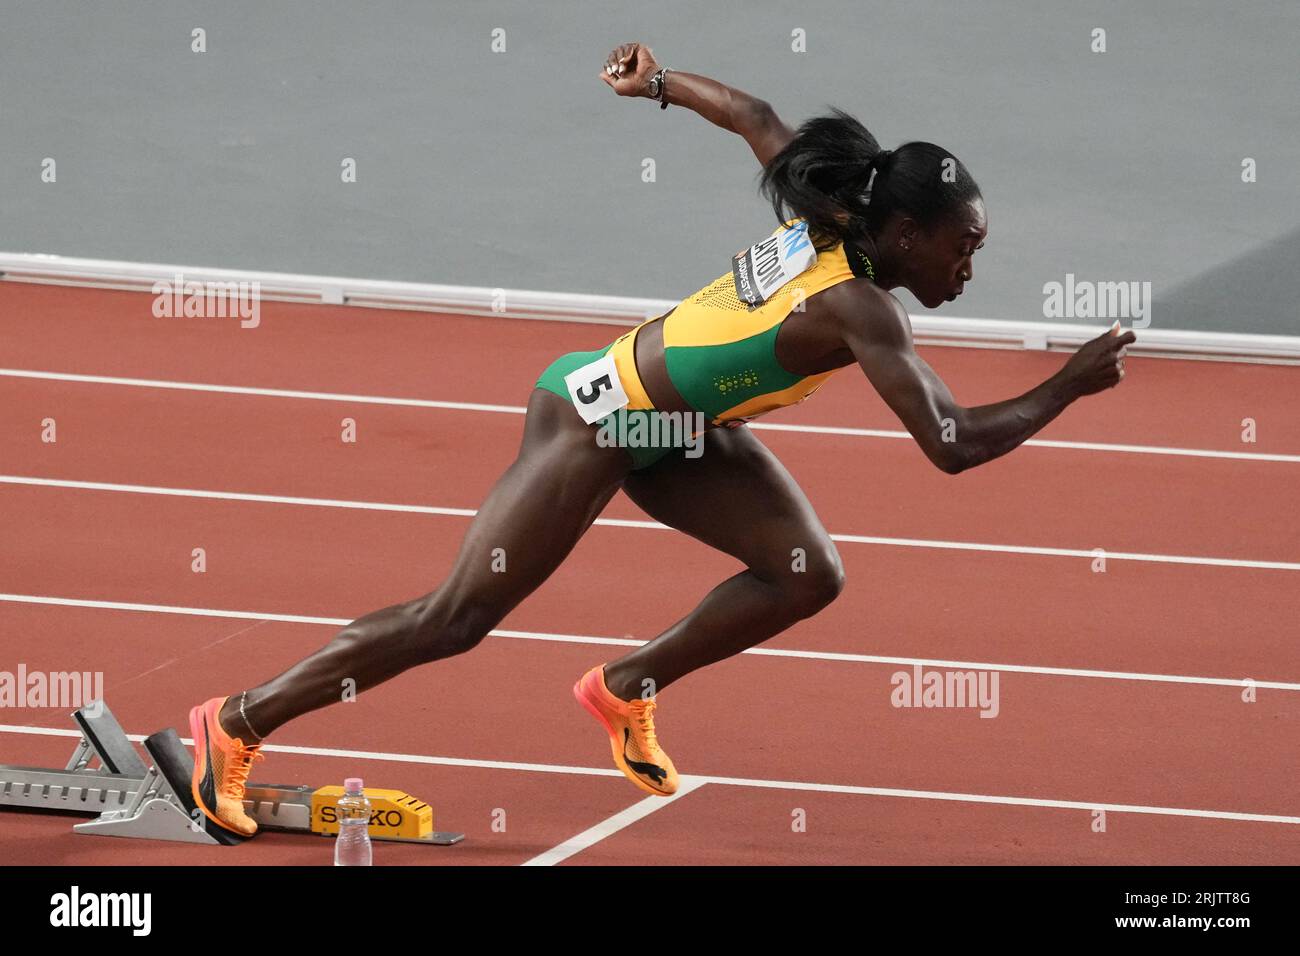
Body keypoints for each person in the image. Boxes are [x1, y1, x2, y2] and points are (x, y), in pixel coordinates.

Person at [188, 42, 1134, 834]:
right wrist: (1069, 384)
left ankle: (627, 685)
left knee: (807, 573)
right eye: (962, 246)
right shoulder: (860, 309)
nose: (972, 265)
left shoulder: (835, 212)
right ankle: (236, 722)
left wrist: (659, 80)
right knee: (456, 620)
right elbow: (952, 443)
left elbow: (755, 113)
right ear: (906, 230)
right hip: (599, 416)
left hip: (679, 428)